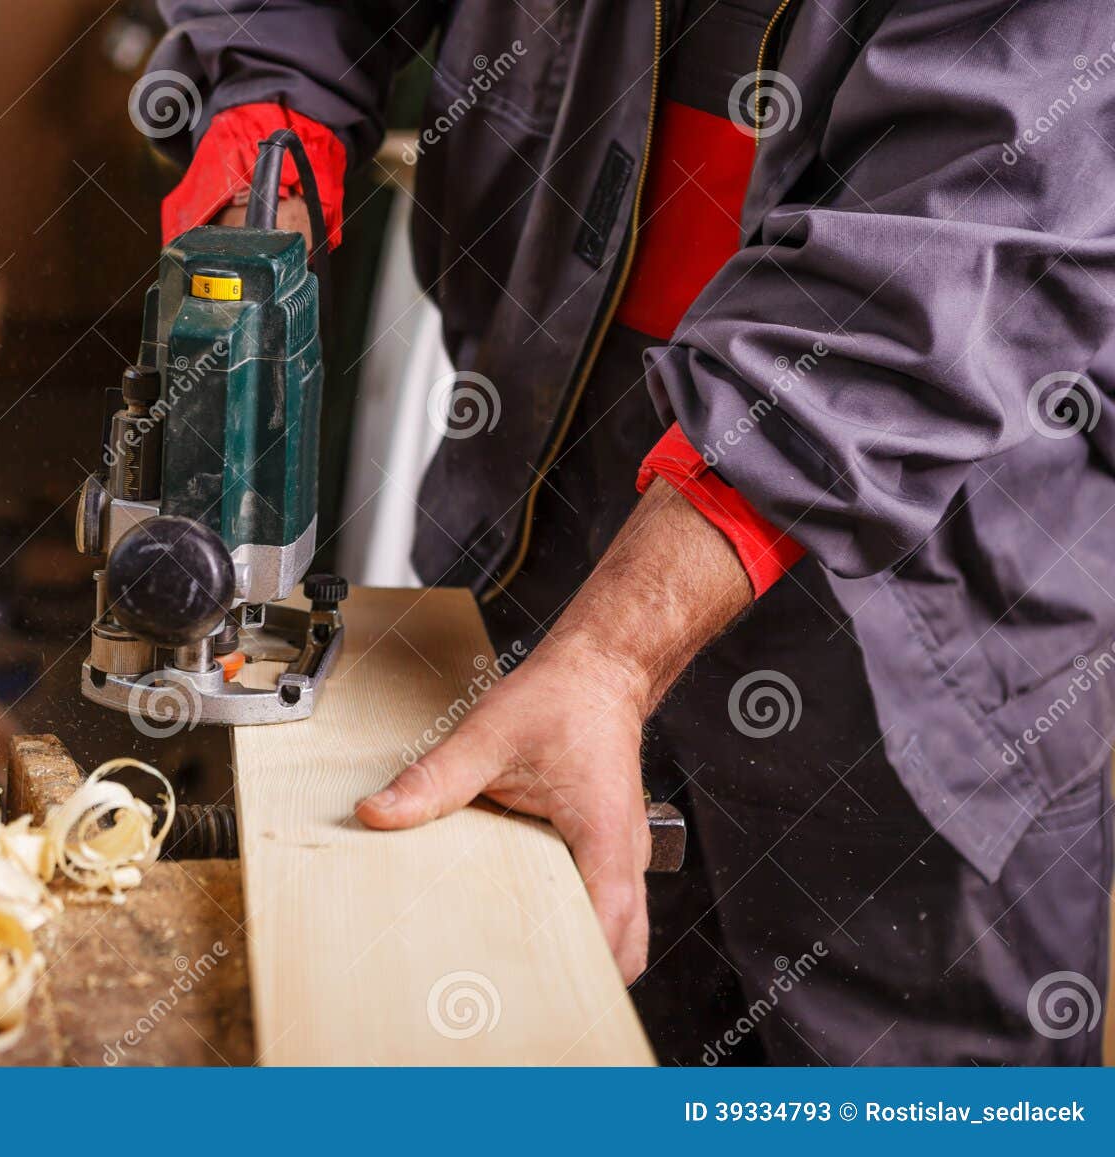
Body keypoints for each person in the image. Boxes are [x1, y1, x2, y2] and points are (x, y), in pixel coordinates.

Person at [144, 0, 1115, 1065]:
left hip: (912, 634)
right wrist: (275, 100)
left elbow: (942, 252)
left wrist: (609, 653)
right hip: (546, 504)